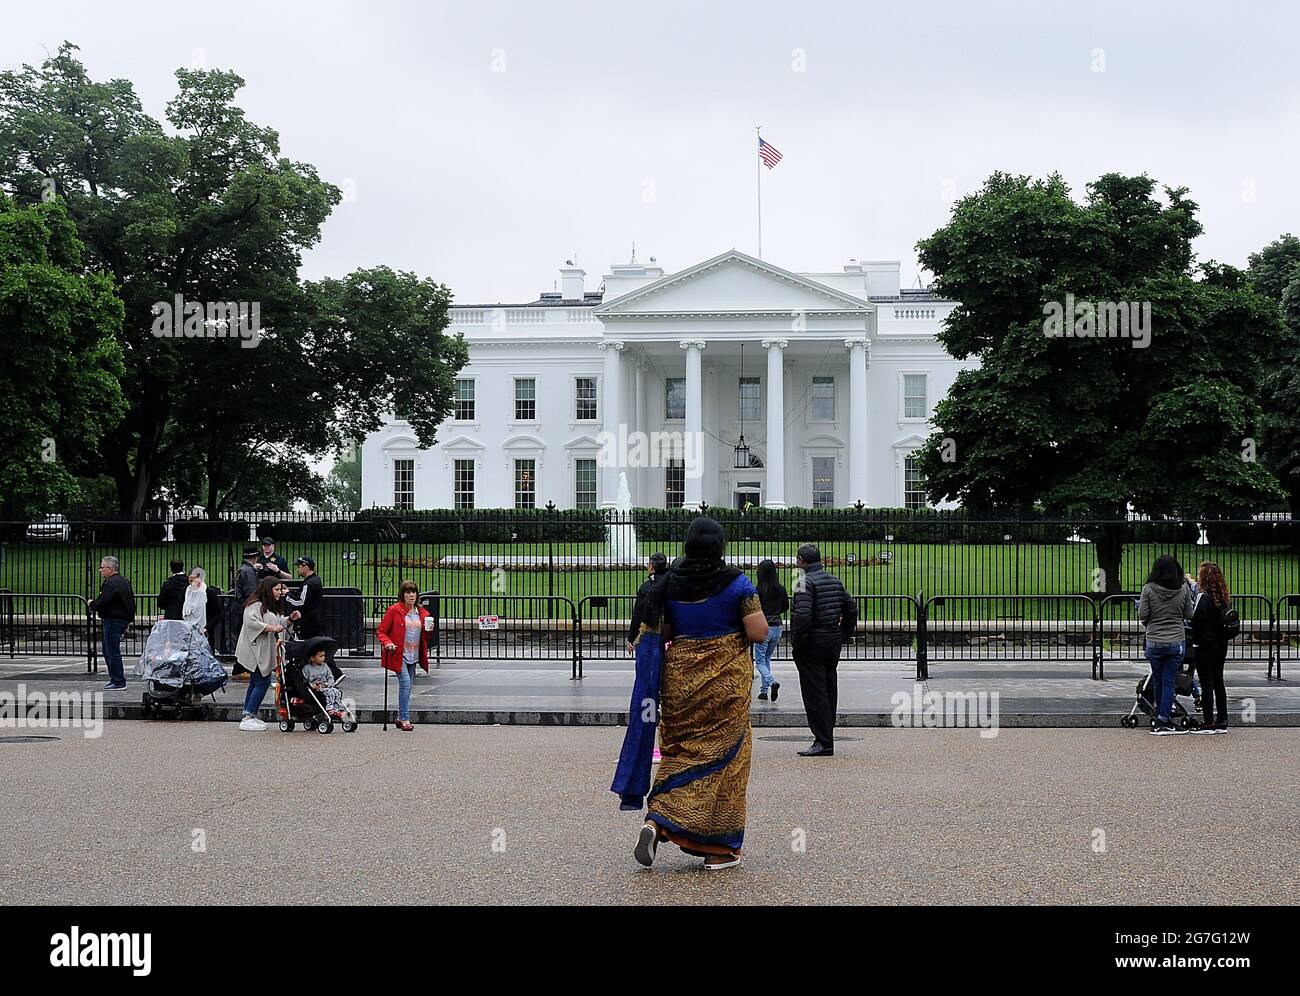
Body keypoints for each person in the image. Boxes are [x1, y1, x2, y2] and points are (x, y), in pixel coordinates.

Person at [612, 517, 768, 871]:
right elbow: (758, 632)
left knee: (681, 752)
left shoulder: (671, 584)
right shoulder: (737, 583)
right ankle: (717, 847)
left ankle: (656, 821)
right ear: (720, 547)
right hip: (725, 687)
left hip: (681, 682)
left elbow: (664, 631)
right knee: (726, 761)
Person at [789, 543, 857, 757]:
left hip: (812, 643)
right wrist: (843, 633)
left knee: (814, 692)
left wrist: (798, 643)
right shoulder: (833, 579)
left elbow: (801, 616)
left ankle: (823, 740)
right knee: (829, 687)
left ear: (802, 560)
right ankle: (827, 733)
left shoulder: (801, 580)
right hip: (832, 640)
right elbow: (851, 608)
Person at [1138, 554, 1193, 736]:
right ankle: (1164, 718)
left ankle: (1159, 717)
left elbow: (1143, 614)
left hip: (1154, 640)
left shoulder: (1148, 589)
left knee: (1158, 681)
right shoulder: (1183, 588)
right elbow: (1189, 614)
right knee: (1169, 682)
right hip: (1176, 640)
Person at [235, 578, 290, 731]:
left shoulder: (268, 605)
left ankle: (248, 714)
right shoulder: (255, 605)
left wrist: (290, 620)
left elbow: (279, 623)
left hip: (261, 649)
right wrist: (271, 627)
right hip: (255, 650)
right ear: (268, 589)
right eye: (277, 589)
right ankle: (249, 715)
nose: (280, 593)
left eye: (280, 589)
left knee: (255, 682)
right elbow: (251, 623)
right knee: (262, 683)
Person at [377, 580, 433, 732]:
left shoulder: (421, 613)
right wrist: (387, 643)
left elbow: (425, 637)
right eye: (408, 592)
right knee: (406, 683)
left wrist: (429, 631)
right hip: (398, 653)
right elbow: (381, 631)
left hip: (413, 654)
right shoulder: (394, 610)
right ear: (402, 595)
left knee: (408, 687)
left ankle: (400, 715)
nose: (411, 595)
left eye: (413, 592)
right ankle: (404, 718)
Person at [1189, 561, 1232, 734]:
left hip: (1205, 645)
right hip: (1221, 644)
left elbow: (1195, 619)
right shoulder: (1223, 598)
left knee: (1206, 683)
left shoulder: (1204, 597)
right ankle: (1222, 719)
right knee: (1218, 681)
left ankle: (1208, 722)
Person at [89, 556, 135, 691]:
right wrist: (129, 619)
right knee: (108, 649)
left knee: (111, 650)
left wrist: (92, 604)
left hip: (113, 620)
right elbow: (130, 601)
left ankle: (118, 680)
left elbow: (103, 600)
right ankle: (115, 678)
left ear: (111, 569)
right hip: (121, 619)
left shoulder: (110, 583)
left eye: (102, 567)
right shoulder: (124, 581)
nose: (100, 570)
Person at [753, 558, 788, 701]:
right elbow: (785, 606)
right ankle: (763, 691)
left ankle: (772, 682)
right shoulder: (780, 589)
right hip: (777, 627)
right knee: (766, 659)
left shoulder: (758, 590)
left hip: (763, 626)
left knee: (760, 661)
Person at [626, 552, 669, 653]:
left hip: (650, 632)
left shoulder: (646, 587)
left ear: (652, 566)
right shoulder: (671, 583)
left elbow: (637, 614)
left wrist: (631, 638)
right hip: (669, 632)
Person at [229, 546, 261, 677]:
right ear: (255, 558)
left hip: (239, 607)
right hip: (245, 608)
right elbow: (251, 592)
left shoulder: (243, 569)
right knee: (248, 639)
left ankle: (241, 667)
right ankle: (241, 668)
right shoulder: (248, 572)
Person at [286, 556, 325, 640]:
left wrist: (287, 595)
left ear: (305, 567)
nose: (297, 569)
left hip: (309, 622)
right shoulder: (316, 579)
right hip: (315, 619)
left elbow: (301, 602)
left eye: (299, 567)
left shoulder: (308, 583)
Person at [181, 566, 223, 644]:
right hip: (187, 632)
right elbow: (179, 609)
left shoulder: (209, 593)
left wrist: (206, 628)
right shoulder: (186, 591)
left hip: (205, 634)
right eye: (190, 581)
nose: (192, 583)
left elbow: (217, 614)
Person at [302, 645, 345, 719]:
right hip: (316, 688)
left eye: (324, 656)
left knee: (337, 692)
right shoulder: (307, 668)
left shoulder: (325, 666)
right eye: (321, 656)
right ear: (312, 658)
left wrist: (330, 684)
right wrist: (312, 686)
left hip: (325, 685)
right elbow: (305, 680)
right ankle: (329, 709)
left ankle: (336, 708)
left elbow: (330, 676)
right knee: (330, 693)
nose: (323, 658)